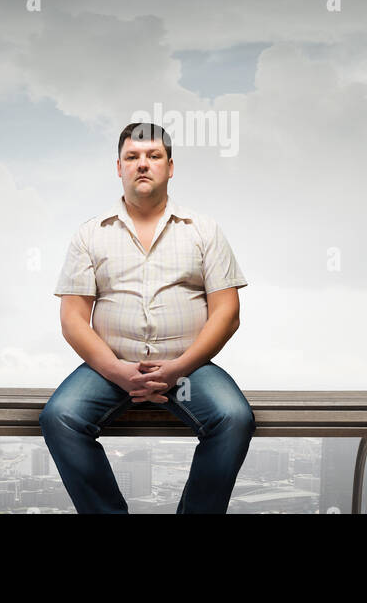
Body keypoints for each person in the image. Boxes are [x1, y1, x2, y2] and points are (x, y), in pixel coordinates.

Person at [40, 121, 255, 513]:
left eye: (153, 156)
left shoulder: (204, 231)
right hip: (110, 367)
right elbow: (72, 317)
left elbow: (227, 314)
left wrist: (177, 370)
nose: (143, 164)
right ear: (118, 167)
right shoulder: (90, 234)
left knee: (234, 417)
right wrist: (116, 371)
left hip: (189, 366)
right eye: (132, 157)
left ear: (170, 167)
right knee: (61, 417)